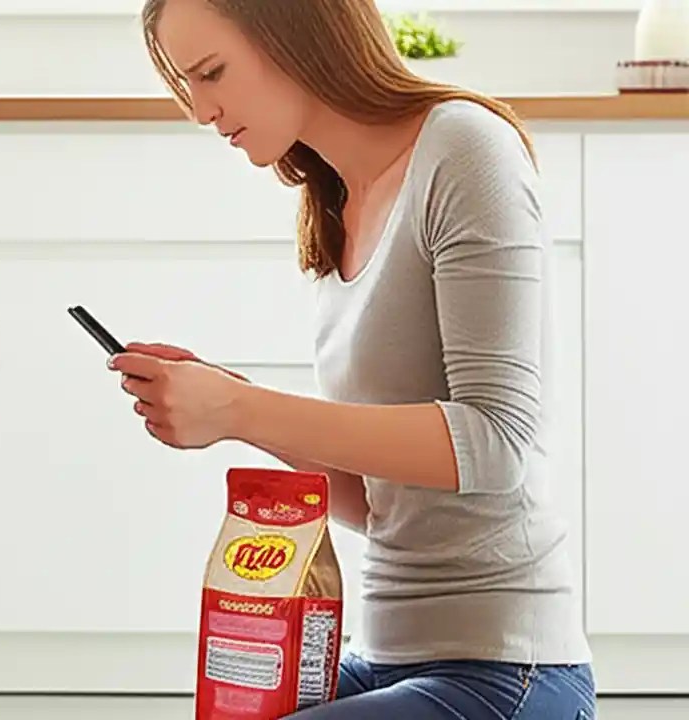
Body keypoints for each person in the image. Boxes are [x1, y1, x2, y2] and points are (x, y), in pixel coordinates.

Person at [107, 0, 597, 717]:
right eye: (189, 87)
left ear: (297, 31)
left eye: (212, 73)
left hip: (509, 667)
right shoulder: (337, 206)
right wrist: (231, 408)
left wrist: (243, 405)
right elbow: (377, 503)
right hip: (393, 653)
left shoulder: (464, 149)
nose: (204, 111)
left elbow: (497, 445)